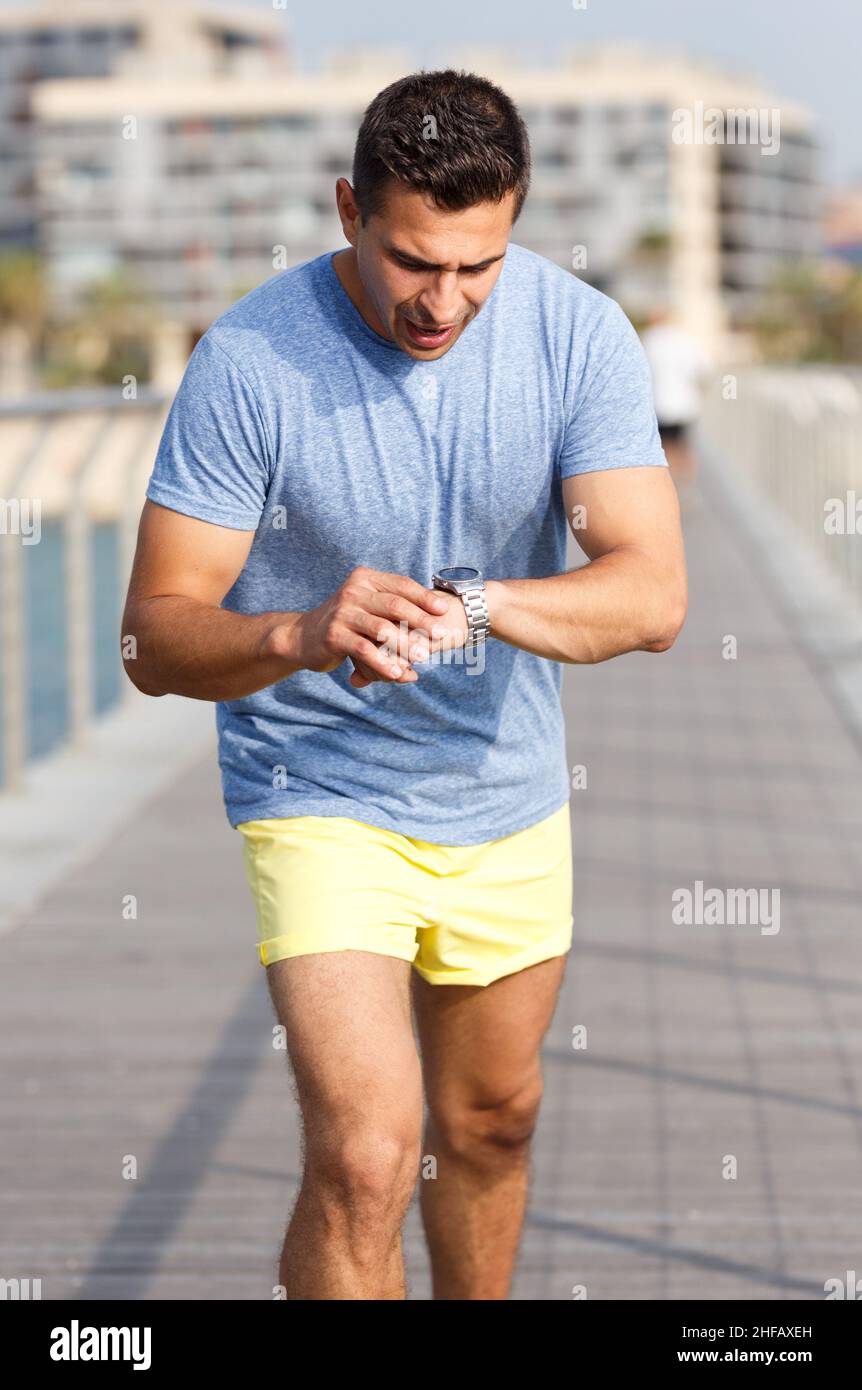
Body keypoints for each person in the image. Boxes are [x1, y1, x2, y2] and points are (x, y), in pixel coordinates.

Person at [121, 68, 687, 1300]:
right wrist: (295, 635)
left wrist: (480, 604)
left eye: (478, 265)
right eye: (413, 261)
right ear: (347, 211)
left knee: (490, 1123)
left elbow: (650, 596)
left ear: (515, 221)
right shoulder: (251, 359)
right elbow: (153, 636)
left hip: (506, 791)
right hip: (314, 783)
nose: (444, 302)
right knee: (370, 1157)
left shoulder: (576, 334)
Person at [640, 307, 712, 483]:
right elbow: (704, 370)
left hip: (657, 405)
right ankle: (685, 483)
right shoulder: (685, 340)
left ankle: (667, 485)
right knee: (682, 446)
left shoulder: (648, 340)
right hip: (684, 405)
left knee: (662, 448)